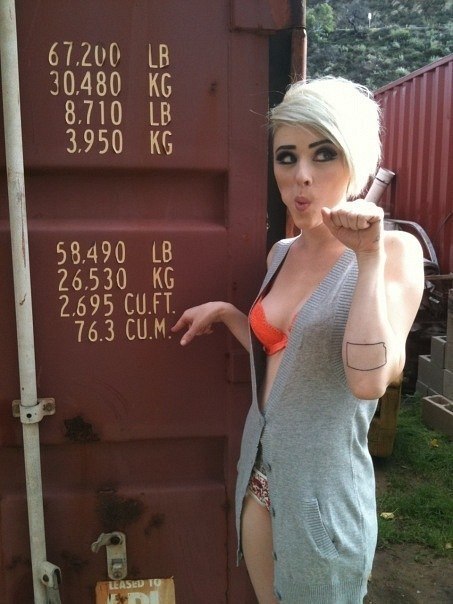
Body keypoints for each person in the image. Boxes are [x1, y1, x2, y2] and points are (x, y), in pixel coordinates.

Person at [171, 77, 424, 603]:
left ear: (354, 161)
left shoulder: (394, 251)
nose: (301, 175)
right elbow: (289, 359)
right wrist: (230, 316)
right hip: (259, 479)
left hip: (322, 500)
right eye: (287, 157)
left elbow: (369, 382)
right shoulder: (281, 253)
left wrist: (368, 258)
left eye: (323, 154)